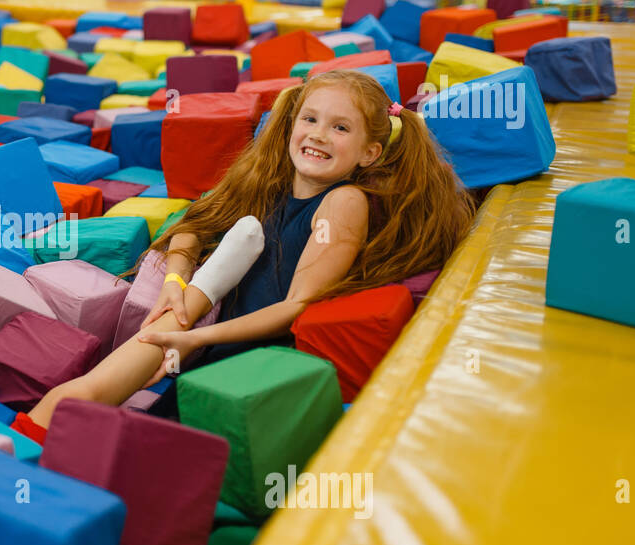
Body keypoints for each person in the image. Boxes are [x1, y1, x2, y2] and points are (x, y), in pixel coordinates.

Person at [26, 69, 477, 427]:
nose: (319, 134)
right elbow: (192, 226)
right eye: (311, 119)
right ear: (291, 124)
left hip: (254, 365)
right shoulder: (272, 186)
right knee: (92, 407)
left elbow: (296, 306)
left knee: (155, 449)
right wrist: (175, 279)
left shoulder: (344, 202)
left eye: (341, 128)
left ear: (370, 153)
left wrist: (195, 336)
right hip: (210, 348)